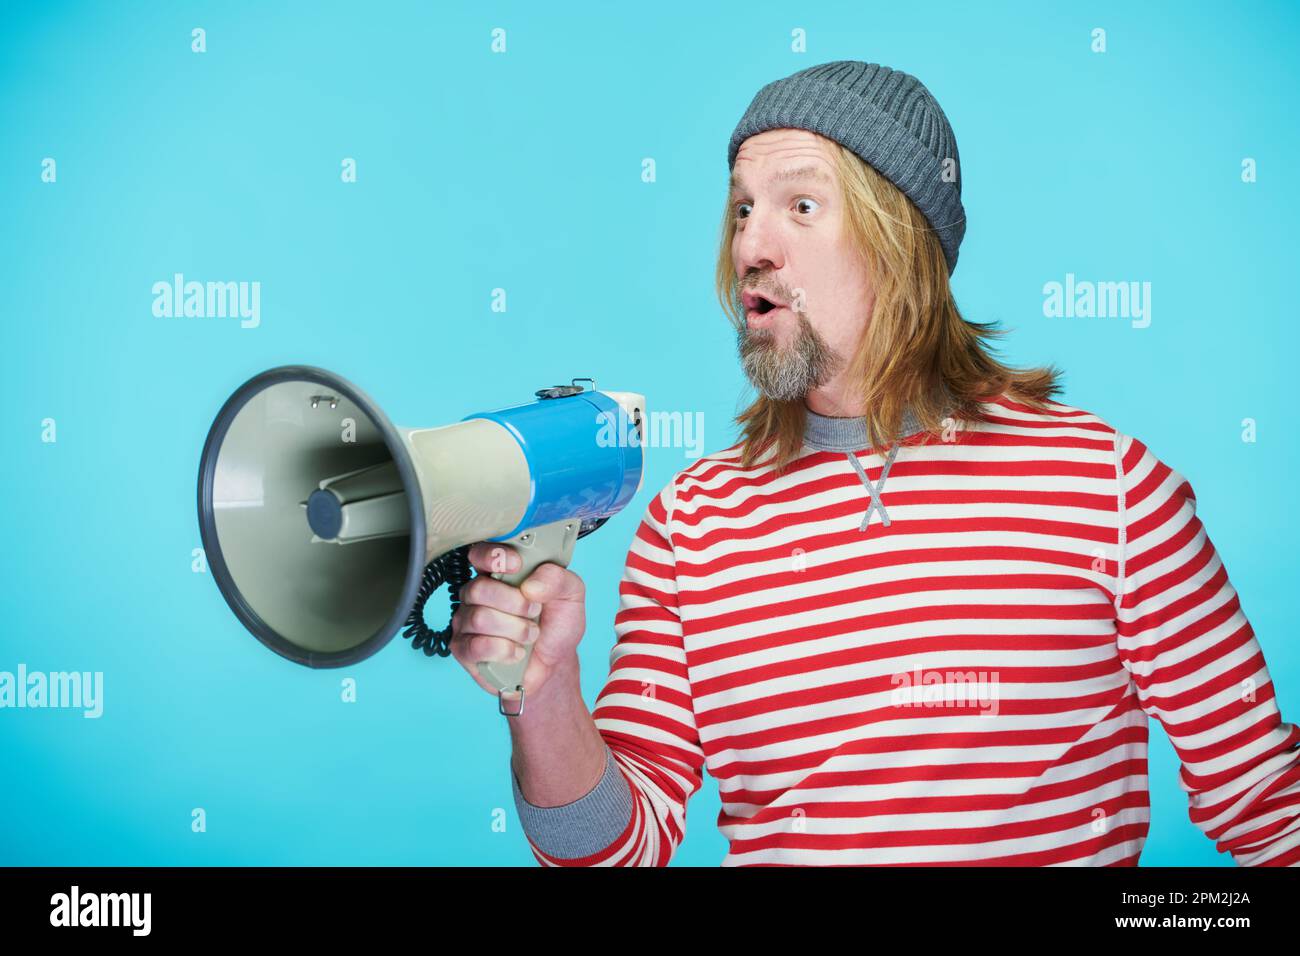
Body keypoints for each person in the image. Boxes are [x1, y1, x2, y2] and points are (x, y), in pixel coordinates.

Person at [449, 60, 1300, 866]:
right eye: (743, 208)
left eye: (802, 206)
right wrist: (546, 689)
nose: (753, 245)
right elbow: (613, 848)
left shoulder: (1108, 489)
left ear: (902, 242)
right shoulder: (691, 525)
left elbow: (1270, 809)